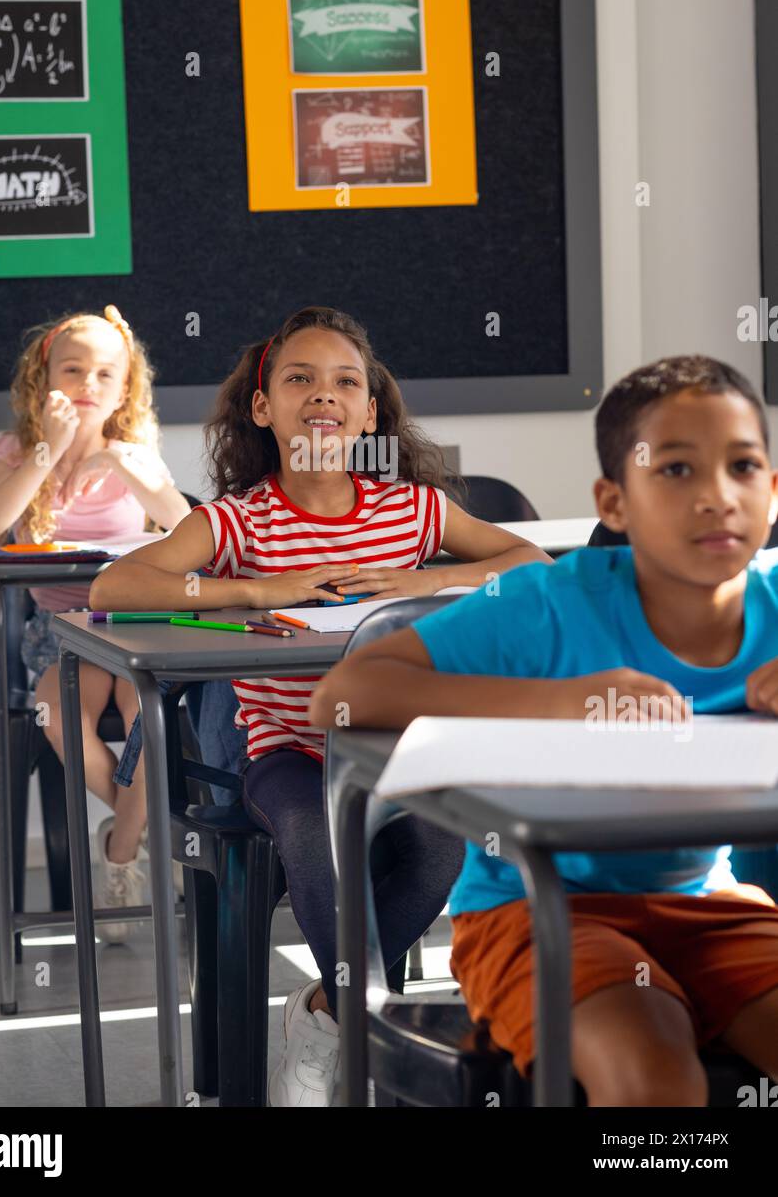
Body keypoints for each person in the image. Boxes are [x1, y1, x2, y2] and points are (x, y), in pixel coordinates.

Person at [92, 303, 551, 1102]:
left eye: (345, 381)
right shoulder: (239, 519)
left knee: (442, 846)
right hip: (288, 750)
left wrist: (425, 577)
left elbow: (531, 560)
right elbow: (113, 585)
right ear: (263, 407)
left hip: (397, 748)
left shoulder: (413, 512)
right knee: (311, 835)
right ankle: (357, 1032)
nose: (323, 395)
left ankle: (328, 1017)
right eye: (298, 379)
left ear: (369, 412)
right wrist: (258, 587)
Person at [311, 355, 778, 1106]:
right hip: (533, 912)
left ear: (772, 489)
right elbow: (343, 694)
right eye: (676, 471)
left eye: (742, 466)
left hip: (710, 907)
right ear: (613, 502)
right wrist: (564, 702)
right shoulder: (549, 604)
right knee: (654, 1077)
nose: (716, 497)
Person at [0, 305, 189, 941]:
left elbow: (184, 528)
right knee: (57, 714)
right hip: (60, 628)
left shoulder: (137, 451)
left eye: (105, 373)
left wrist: (128, 467)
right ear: (45, 381)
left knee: (146, 716)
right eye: (73, 370)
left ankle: (121, 847)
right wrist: (49, 448)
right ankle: (146, 831)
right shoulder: (18, 451)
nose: (89, 384)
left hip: (133, 620)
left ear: (124, 388)